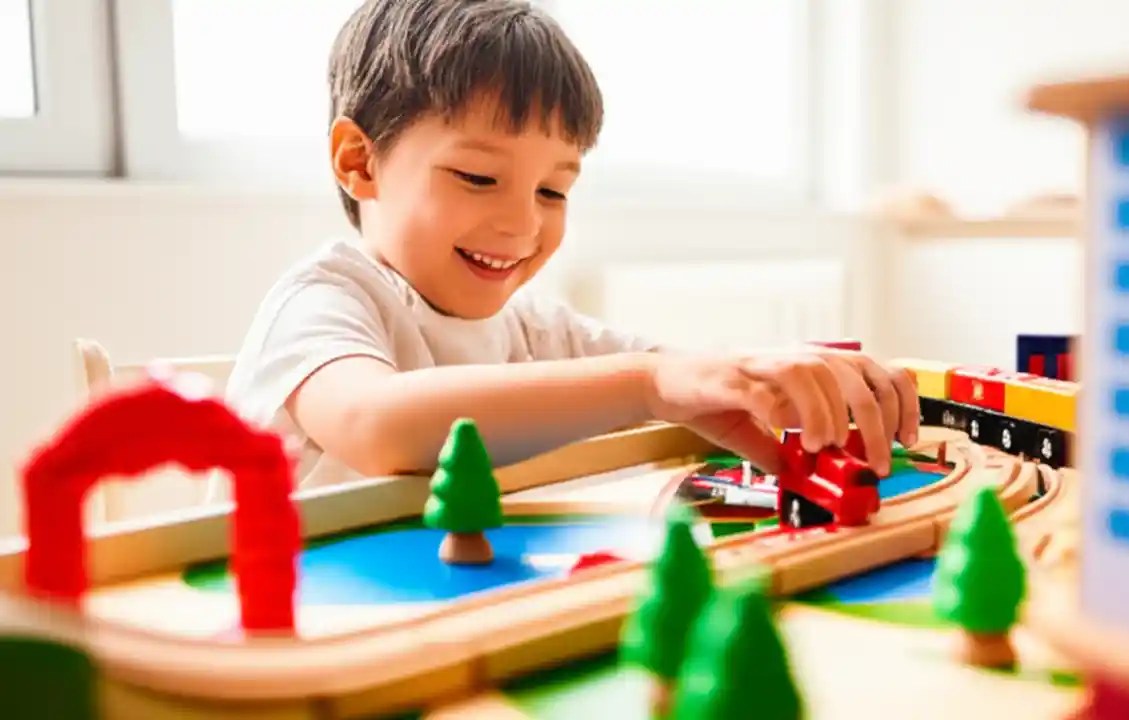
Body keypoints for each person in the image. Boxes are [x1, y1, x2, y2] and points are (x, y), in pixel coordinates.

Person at [225, 0, 919, 492]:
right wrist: (648, 388)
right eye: (478, 176)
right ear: (359, 162)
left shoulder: (533, 329)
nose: (522, 226)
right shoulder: (326, 297)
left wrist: (765, 383)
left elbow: (681, 368)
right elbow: (372, 424)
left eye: (552, 192)